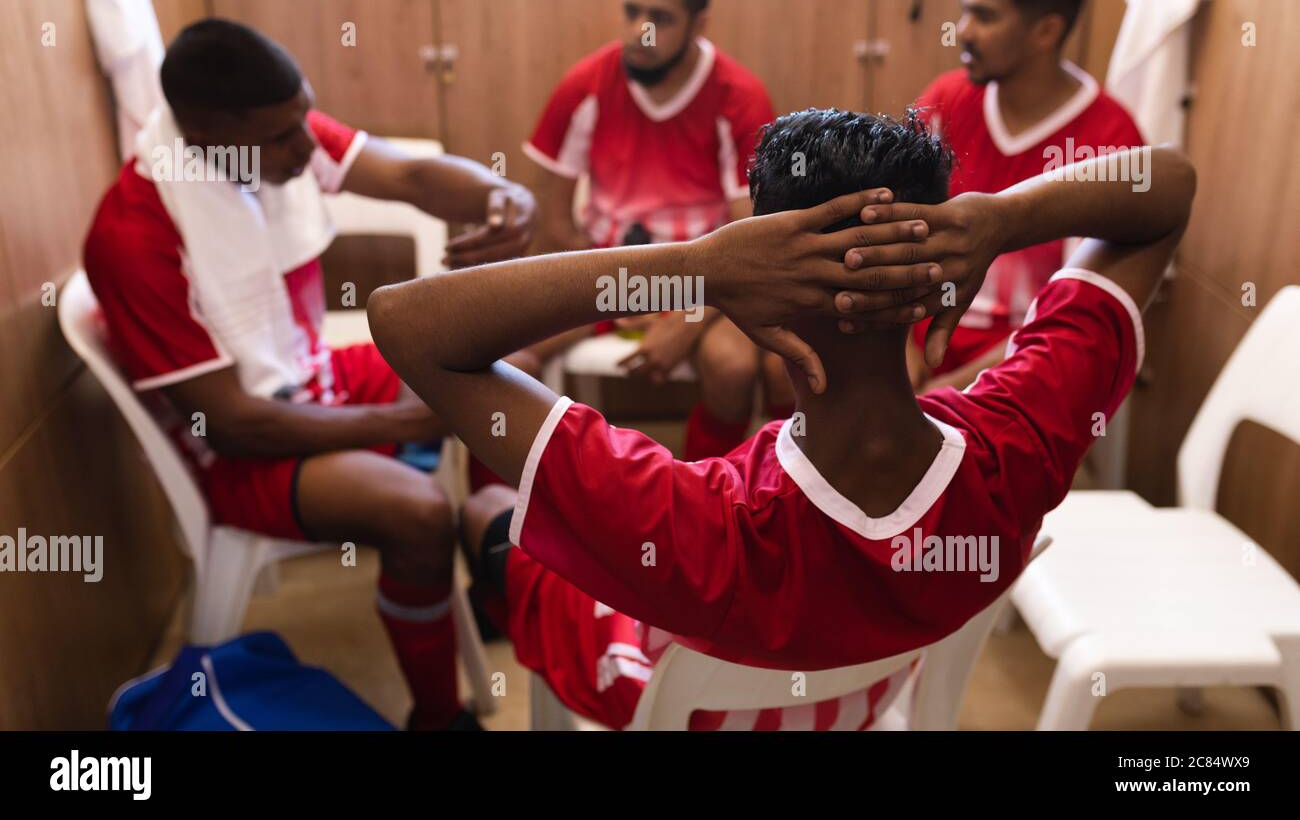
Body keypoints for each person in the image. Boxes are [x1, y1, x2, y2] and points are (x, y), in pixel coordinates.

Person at [368, 107, 1195, 730]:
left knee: (490, 517)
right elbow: (1166, 188)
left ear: (760, 289)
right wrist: (1001, 221)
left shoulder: (689, 518)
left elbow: (408, 322)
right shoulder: (1023, 439)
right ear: (939, 277)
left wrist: (694, 268)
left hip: (644, 678)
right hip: (867, 698)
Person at [84, 18, 536, 730]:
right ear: (205, 132)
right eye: (284, 136)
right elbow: (231, 426)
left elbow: (413, 175)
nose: (308, 145)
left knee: (506, 364)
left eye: (304, 119)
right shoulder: (133, 237)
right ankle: (439, 716)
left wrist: (503, 200)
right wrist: (407, 420)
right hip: (240, 449)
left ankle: (496, 579)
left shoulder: (272, 135)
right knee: (417, 513)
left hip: (311, 376)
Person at [520, 0, 786, 461]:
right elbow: (553, 224)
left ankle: (704, 497)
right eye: (630, 10)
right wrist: (624, 297)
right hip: (603, 270)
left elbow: (751, 242)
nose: (639, 32)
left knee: (733, 367)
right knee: (504, 359)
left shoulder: (739, 98)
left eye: (660, 18)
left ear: (699, 23)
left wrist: (684, 313)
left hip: (711, 282)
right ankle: (515, 526)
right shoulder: (586, 85)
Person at [909, 0, 1145, 392]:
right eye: (965, 11)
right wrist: (899, 346)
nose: (964, 31)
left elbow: (1075, 317)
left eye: (985, 16)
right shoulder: (946, 100)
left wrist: (954, 389)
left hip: (1029, 367)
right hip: (922, 348)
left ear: (1045, 32)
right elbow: (901, 231)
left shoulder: (1112, 142)